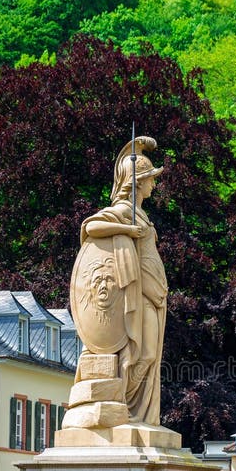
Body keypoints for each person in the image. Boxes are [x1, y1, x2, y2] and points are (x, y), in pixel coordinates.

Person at [72, 136, 167, 426]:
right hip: (136, 293)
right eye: (151, 179)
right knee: (142, 353)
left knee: (149, 355)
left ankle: (133, 410)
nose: (154, 184)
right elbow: (91, 226)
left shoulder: (141, 213)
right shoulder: (125, 211)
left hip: (152, 293)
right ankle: (123, 404)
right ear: (138, 182)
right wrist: (126, 230)